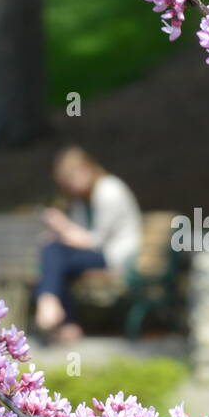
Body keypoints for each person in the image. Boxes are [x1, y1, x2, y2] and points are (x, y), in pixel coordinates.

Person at [35, 146, 142, 342]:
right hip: (96, 253)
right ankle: (61, 317)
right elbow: (79, 235)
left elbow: (95, 241)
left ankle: (51, 306)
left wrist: (63, 226)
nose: (69, 188)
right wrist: (60, 234)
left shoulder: (109, 190)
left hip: (115, 256)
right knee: (54, 254)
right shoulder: (82, 198)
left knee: (55, 255)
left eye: (70, 181)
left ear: (85, 170)